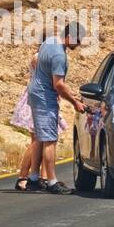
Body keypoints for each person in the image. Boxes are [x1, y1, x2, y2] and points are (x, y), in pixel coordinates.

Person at [25, 22, 87, 194]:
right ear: (70, 37)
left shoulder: (49, 41)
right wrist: (75, 102)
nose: (79, 44)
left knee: (39, 138)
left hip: (35, 93)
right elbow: (58, 84)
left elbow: (39, 65)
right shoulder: (59, 55)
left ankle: (34, 178)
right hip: (45, 98)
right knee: (50, 140)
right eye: (78, 40)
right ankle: (52, 181)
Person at [12, 43, 69, 190]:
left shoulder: (42, 57)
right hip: (40, 98)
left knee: (43, 138)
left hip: (43, 96)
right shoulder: (38, 58)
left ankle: (42, 177)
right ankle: (23, 176)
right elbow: (46, 79)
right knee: (37, 139)